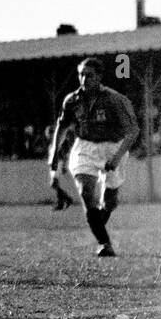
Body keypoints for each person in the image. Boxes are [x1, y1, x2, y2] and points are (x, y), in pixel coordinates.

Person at [47, 57, 140, 257]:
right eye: (81, 74)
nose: (84, 79)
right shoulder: (72, 100)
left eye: (89, 75)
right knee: (86, 193)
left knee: (110, 202)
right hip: (85, 147)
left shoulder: (115, 99)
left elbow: (133, 132)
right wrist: (54, 155)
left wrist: (115, 159)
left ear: (99, 77)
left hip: (114, 147)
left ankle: (99, 221)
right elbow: (62, 127)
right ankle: (105, 243)